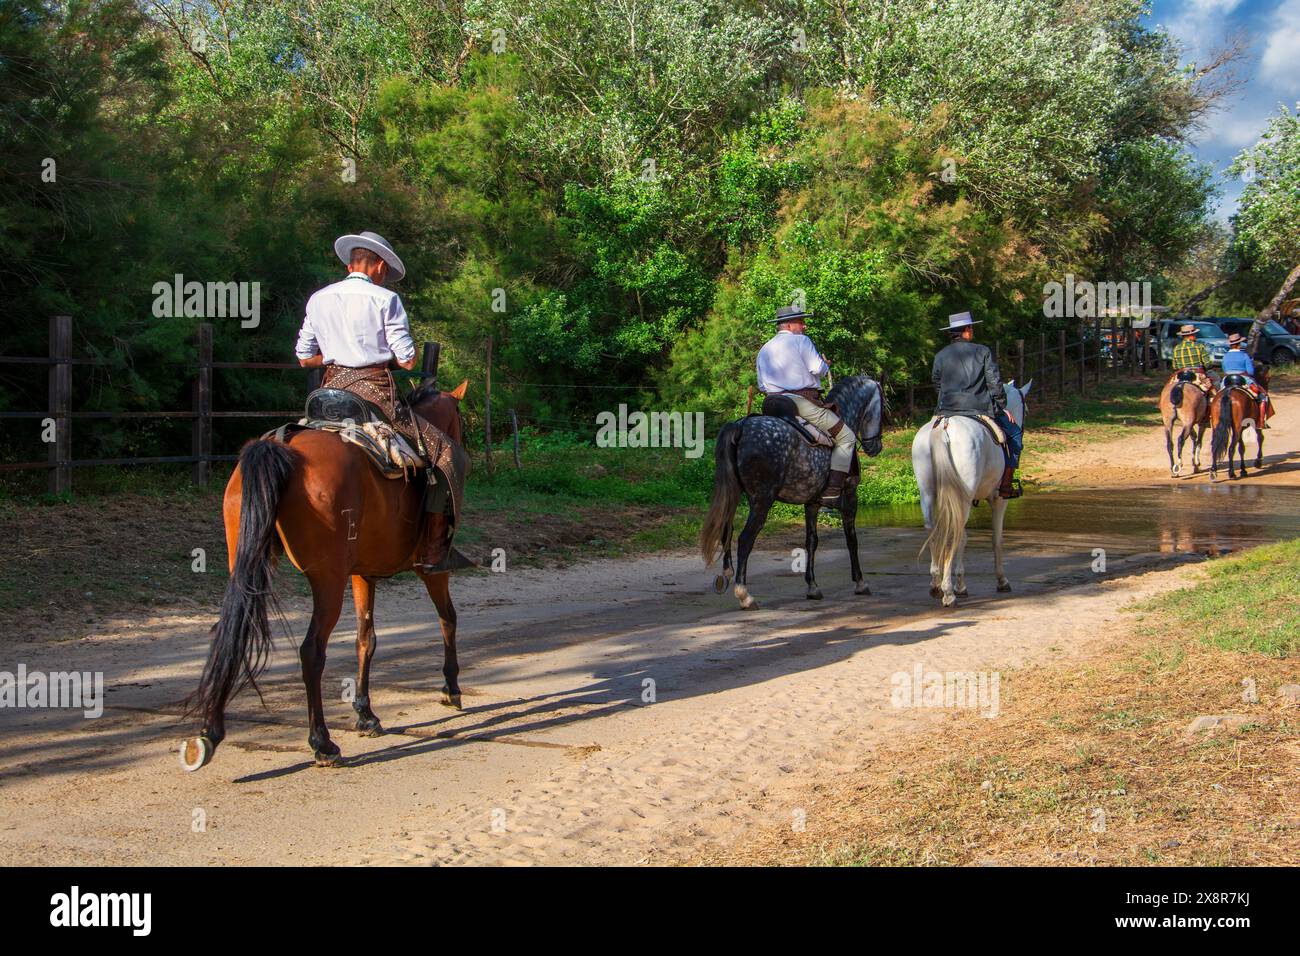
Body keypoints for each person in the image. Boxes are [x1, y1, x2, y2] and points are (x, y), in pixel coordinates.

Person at [295, 231, 459, 572]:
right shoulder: (386, 300)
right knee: (445, 453)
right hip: (375, 397)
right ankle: (432, 550)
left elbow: (304, 357)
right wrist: (376, 355)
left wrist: (338, 353)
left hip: (326, 398)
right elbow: (409, 360)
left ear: (351, 262)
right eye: (386, 271)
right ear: (379, 265)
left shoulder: (319, 298)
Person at [756, 304, 856, 504]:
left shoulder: (764, 349)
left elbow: (761, 384)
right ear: (791, 325)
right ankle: (833, 491)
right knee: (847, 436)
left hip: (771, 403)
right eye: (801, 322)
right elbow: (817, 368)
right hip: (799, 402)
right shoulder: (801, 341)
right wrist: (825, 365)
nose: (804, 326)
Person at [932, 310, 1022, 498]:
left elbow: (937, 383)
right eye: (971, 328)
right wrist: (1002, 406)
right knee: (1014, 434)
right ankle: (1006, 485)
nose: (972, 331)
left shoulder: (940, 355)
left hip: (946, 410)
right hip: (978, 408)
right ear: (966, 330)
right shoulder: (982, 351)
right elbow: (994, 383)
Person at [1221, 332, 1274, 428]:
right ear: (1239, 344)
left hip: (1227, 379)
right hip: (1243, 379)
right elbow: (1250, 371)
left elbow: (1224, 369)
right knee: (1263, 396)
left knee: (1218, 395)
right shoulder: (1244, 355)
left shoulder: (1225, 356)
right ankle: (1261, 422)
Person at [1170, 323, 1216, 396]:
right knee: (1214, 385)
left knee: (1169, 387)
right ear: (1190, 336)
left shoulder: (1177, 348)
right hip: (1197, 375)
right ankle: (1212, 401)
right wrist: (1208, 367)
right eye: (1194, 334)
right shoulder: (1199, 346)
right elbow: (1207, 364)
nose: (1195, 336)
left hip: (1181, 375)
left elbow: (1175, 366)